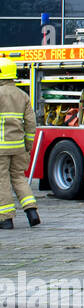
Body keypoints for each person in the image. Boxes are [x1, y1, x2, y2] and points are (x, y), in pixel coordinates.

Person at [0, 57, 39, 229]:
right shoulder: (23, 96)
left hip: (1, 147)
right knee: (18, 178)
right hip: (18, 147)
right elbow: (31, 124)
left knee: (2, 180)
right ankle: (32, 211)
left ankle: (6, 219)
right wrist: (28, 147)